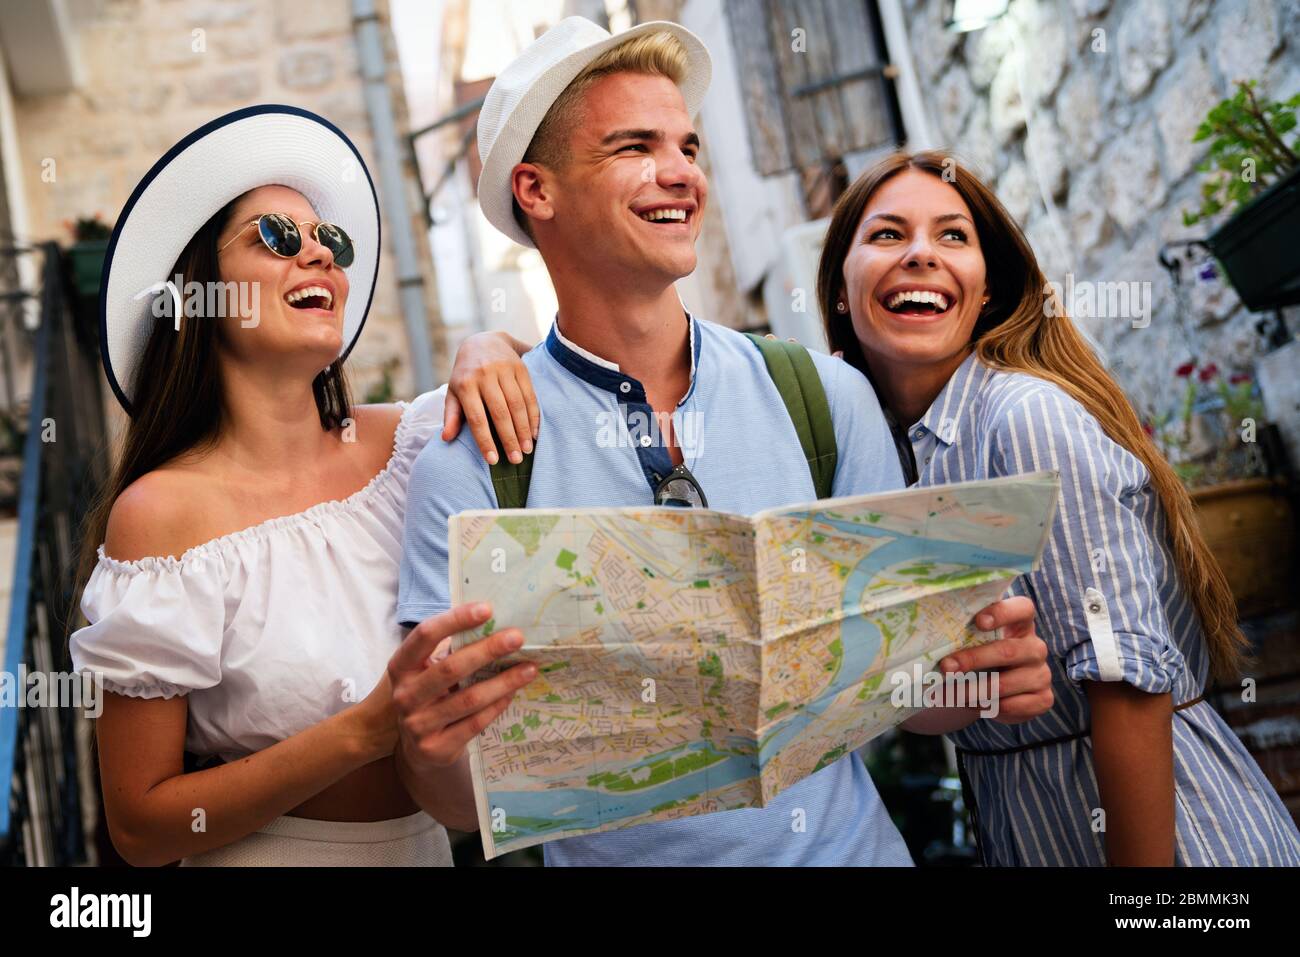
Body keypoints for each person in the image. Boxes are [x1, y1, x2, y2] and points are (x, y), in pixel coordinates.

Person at [395, 17, 1053, 866]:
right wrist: (424, 749)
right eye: (635, 147)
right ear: (536, 189)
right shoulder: (467, 461)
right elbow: (465, 799)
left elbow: (893, 697)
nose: (681, 174)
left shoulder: (824, 397)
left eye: (690, 146)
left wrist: (972, 678)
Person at [69, 105, 539, 866]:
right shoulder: (159, 518)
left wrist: (493, 344)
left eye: (332, 241)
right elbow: (140, 823)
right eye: (278, 237)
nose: (319, 255)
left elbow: (564, 388)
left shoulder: (420, 443)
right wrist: (364, 730)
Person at [815, 149, 1300, 866]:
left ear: (985, 292)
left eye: (953, 235)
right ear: (838, 293)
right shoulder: (880, 464)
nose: (922, 253)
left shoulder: (1023, 416)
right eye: (888, 234)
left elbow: (1126, 677)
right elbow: (915, 702)